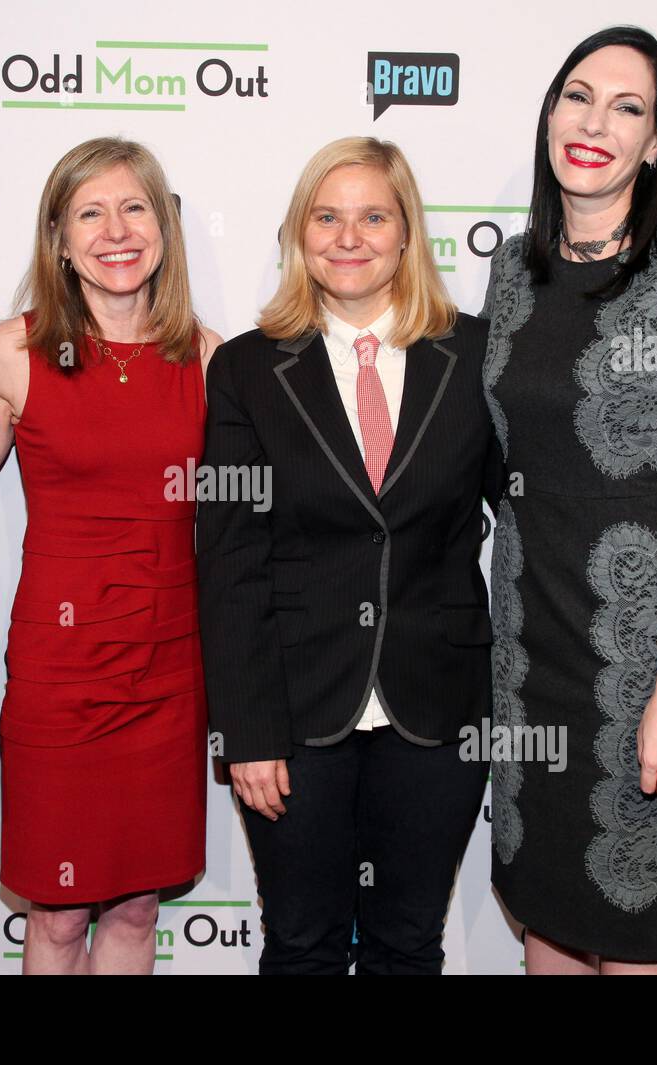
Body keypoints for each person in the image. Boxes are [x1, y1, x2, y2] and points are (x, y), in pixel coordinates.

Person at [196, 137, 502, 974]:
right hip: (293, 712)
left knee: (408, 944)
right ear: (301, 234)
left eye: (373, 216)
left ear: (406, 233)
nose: (349, 236)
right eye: (326, 217)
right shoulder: (250, 368)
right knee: (302, 945)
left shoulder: (473, 356)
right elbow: (229, 559)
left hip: (438, 708)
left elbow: (528, 511)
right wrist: (247, 729)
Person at [480, 25, 657, 973]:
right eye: (577, 96)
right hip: (528, 663)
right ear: (549, 113)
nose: (594, 124)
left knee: (638, 945)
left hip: (644, 667)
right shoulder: (511, 275)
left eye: (628, 108)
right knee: (546, 942)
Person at [0, 137, 221, 975]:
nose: (116, 230)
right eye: (91, 212)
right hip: (61, 672)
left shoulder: (212, 360)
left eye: (135, 207)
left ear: (164, 228)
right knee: (60, 913)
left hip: (168, 666)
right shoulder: (15, 351)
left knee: (139, 907)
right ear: (60, 239)